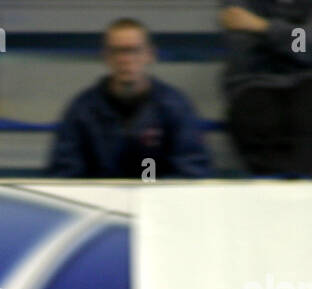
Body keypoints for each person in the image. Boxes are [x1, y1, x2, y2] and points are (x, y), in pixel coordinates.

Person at [47, 17, 211, 179]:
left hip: (159, 203)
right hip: (97, 203)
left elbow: (191, 173)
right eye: (117, 51)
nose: (126, 59)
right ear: (106, 56)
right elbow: (65, 175)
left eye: (134, 50)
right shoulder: (82, 111)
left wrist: (153, 193)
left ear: (150, 55)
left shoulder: (175, 107)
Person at [220, 1, 312, 178]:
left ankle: (303, 188)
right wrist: (298, 37)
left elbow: (311, 46)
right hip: (252, 86)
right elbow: (244, 47)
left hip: (310, 88)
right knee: (258, 110)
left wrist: (264, 27)